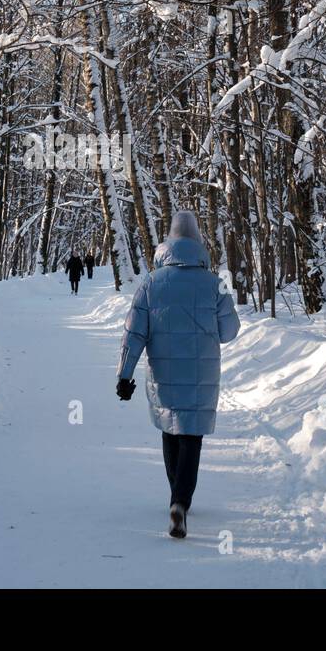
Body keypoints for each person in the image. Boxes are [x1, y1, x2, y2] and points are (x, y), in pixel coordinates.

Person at [115, 211, 240, 539]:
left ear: (168, 243)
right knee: (191, 435)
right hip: (202, 373)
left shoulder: (152, 283)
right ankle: (180, 501)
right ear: (198, 243)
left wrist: (123, 376)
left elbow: (134, 334)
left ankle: (176, 498)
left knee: (170, 429)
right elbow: (229, 331)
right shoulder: (214, 283)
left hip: (163, 373)